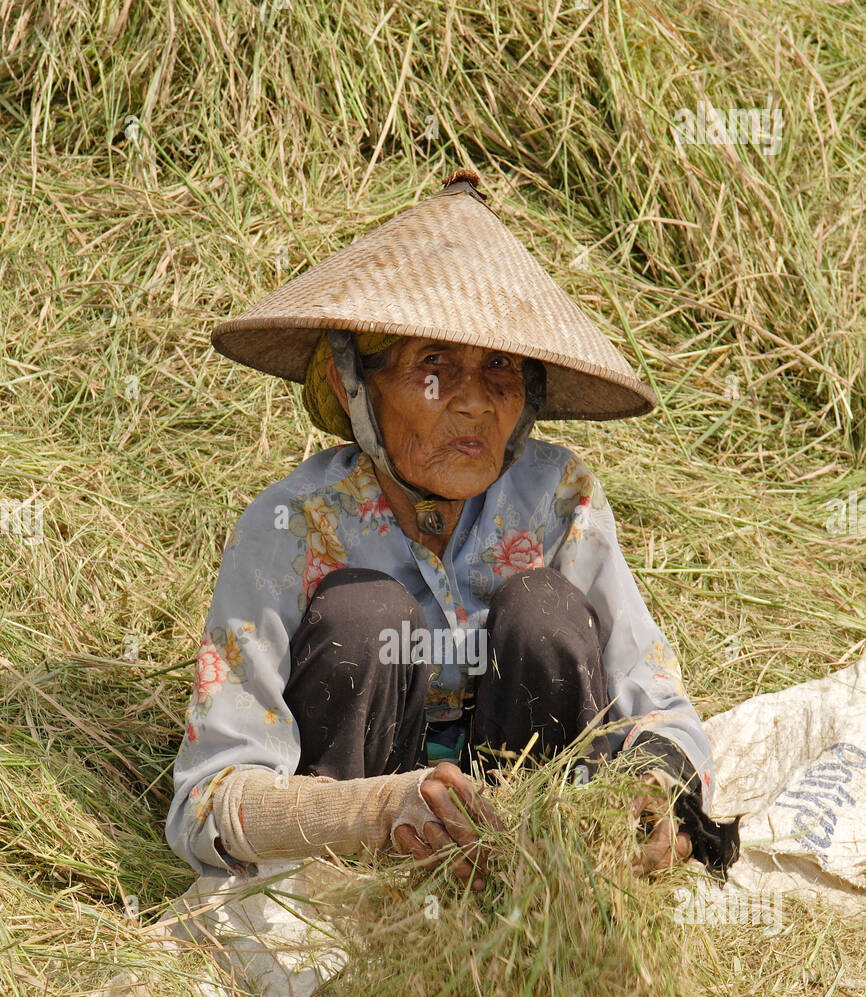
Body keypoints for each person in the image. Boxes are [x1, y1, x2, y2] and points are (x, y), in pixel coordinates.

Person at [166, 171, 739, 893]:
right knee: (366, 619)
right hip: (351, 884)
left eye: (499, 367)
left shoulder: (559, 499)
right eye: (434, 367)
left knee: (544, 611)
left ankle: (546, 890)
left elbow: (657, 704)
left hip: (537, 872)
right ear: (355, 385)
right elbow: (209, 803)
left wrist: (654, 795)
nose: (472, 403)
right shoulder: (294, 524)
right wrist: (377, 809)